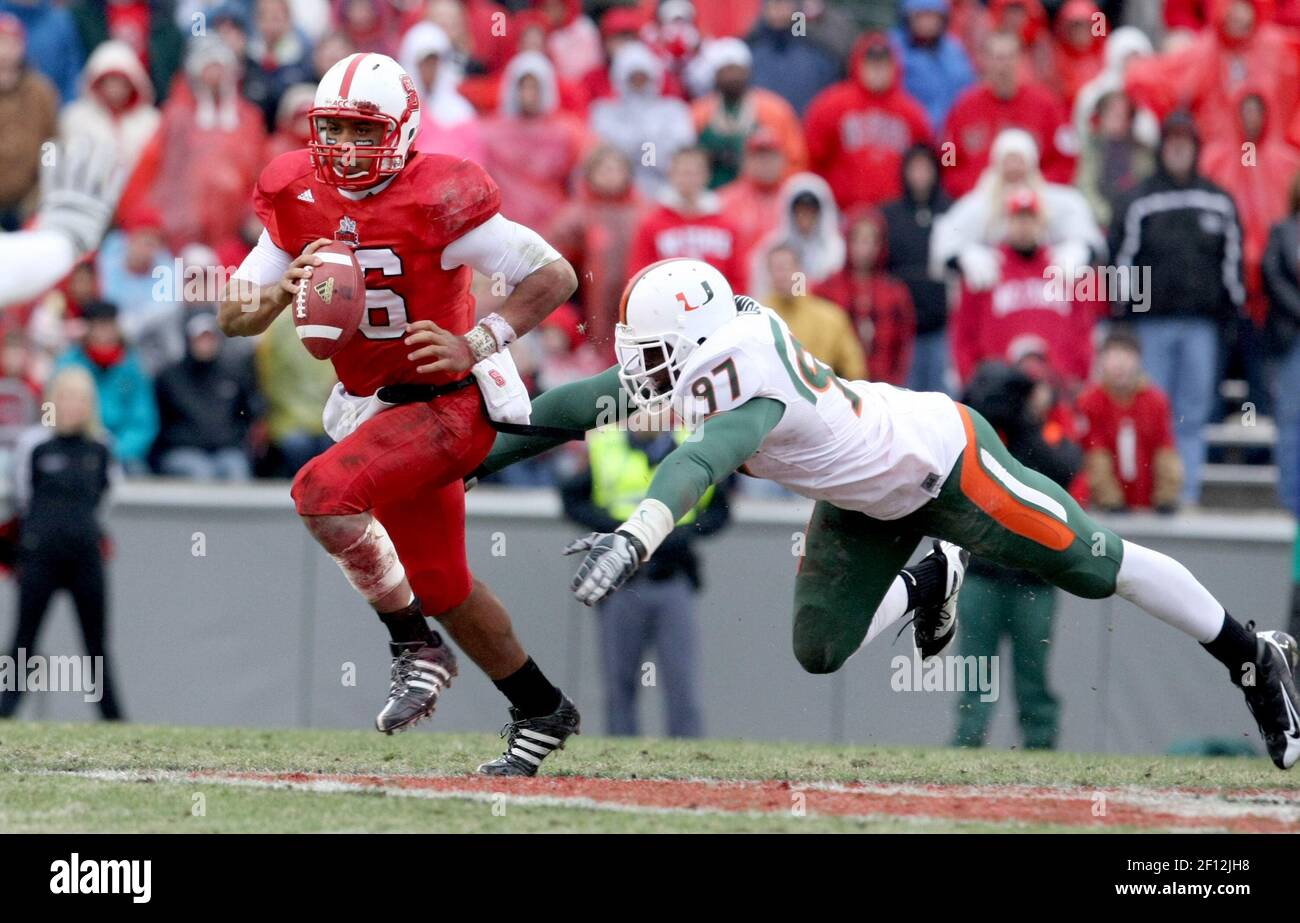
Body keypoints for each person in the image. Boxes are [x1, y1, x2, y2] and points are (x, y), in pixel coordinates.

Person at [475, 257, 1300, 772]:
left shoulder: (745, 372)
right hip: (860, 494)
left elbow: (705, 458)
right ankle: (933, 572)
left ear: (696, 345)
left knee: (1091, 564)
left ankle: (1250, 653)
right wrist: (464, 463)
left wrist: (636, 530)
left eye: (654, 360)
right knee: (821, 648)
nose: (642, 377)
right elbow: (571, 408)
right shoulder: (700, 357)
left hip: (942, 461)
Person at [217, 51, 582, 777]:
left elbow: (555, 274)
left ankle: (414, 648)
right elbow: (232, 314)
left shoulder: (440, 196)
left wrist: (475, 340)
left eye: (362, 130)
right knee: (444, 583)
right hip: (376, 409)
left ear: (403, 130)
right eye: (335, 130)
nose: (345, 147)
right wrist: (278, 291)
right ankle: (541, 709)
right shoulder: (297, 194)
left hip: (452, 402)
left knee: (321, 494)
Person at [560, 420, 730, 738]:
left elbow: (720, 509)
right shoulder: (606, 448)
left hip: (671, 575)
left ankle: (689, 755)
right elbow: (570, 498)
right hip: (624, 581)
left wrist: (676, 536)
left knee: (681, 679)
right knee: (618, 680)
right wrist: (618, 531)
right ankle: (621, 756)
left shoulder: (688, 446)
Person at [1108, 110, 1244, 506]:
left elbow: (1231, 262)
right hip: (1151, 325)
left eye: (1187, 140)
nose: (1179, 148)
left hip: (1202, 326)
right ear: (1162, 146)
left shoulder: (1218, 200)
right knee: (1149, 409)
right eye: (1172, 140)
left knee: (1192, 413)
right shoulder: (1140, 200)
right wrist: (1125, 313)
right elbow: (1122, 259)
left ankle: (1183, 495)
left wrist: (1231, 314)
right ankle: (1145, 494)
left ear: (1196, 147)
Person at [951, 361, 1082, 750]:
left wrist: (1024, 425)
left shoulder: (1050, 431)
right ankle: (966, 744)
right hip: (982, 576)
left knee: (1033, 676)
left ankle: (1040, 745)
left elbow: (1063, 471)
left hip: (1033, 581)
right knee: (975, 674)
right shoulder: (975, 434)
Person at [0, 365, 123, 720]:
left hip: (85, 554)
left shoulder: (101, 446)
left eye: (81, 399)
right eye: (67, 397)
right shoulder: (34, 444)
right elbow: (24, 496)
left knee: (96, 641)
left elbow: (108, 495)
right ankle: (7, 708)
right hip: (40, 554)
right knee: (24, 636)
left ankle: (111, 715)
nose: (74, 406)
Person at [948, 186, 1095, 390]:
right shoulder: (987, 267)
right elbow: (964, 331)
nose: (1024, 226)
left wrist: (1079, 375)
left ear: (1041, 223)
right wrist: (972, 380)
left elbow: (1082, 326)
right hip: (1000, 389)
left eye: (1030, 218)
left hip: (1056, 387)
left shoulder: (1063, 265)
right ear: (1007, 223)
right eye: (1018, 218)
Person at [803, 32, 932, 211]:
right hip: (842, 210)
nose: (877, 70)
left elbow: (925, 163)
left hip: (894, 214)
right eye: (871, 63)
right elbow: (812, 158)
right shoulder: (832, 105)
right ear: (858, 64)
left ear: (894, 67)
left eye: (883, 64)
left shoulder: (912, 113)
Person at [939, 30, 1075, 197]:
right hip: (979, 206)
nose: (1003, 65)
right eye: (997, 57)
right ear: (984, 60)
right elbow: (948, 161)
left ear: (1020, 59)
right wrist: (972, 191)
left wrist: (1037, 189)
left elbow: (1065, 160)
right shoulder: (963, 106)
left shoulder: (1046, 105)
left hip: (1032, 207)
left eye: (1009, 57)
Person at [1076, 330, 1182, 512]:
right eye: (1113, 355)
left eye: (1127, 355)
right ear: (1101, 361)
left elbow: (1165, 450)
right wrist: (1110, 500)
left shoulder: (1155, 400)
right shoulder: (1090, 401)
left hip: (1148, 501)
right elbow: (1094, 456)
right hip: (1103, 506)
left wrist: (1166, 497)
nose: (1120, 363)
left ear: (1139, 360)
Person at [153, 311, 260, 480]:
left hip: (226, 449)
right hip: (182, 449)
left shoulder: (233, 374)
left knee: (236, 469)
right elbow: (160, 420)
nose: (205, 343)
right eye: (200, 338)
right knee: (200, 472)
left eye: (210, 338)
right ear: (188, 341)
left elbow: (246, 413)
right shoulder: (169, 377)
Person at [54, 300, 158, 475]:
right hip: (72, 446)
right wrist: (58, 440)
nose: (104, 334)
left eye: (109, 326)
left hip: (120, 453)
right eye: (98, 326)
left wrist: (114, 452)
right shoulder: (66, 364)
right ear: (87, 329)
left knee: (138, 474)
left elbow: (143, 421)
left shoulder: (133, 368)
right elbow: (48, 407)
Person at [815, 207, 915, 386]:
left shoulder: (895, 292)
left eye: (871, 241)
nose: (864, 248)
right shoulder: (826, 288)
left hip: (883, 387)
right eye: (858, 240)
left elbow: (904, 345)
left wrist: (894, 385)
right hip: (837, 385)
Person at [689, 36, 806, 188]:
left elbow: (795, 159)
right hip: (709, 197)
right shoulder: (699, 113)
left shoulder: (774, 110)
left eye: (736, 70)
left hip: (761, 198)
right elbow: (684, 159)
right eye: (725, 71)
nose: (731, 77)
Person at [883, 143, 952, 395]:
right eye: (915, 168)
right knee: (904, 397)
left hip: (941, 322)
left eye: (926, 168)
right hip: (902, 323)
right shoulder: (889, 215)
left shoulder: (951, 212)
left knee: (943, 396)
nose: (920, 175)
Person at [628, 146, 744, 289]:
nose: (689, 179)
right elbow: (640, 274)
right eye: (683, 173)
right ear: (671, 174)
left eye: (695, 172)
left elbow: (738, 275)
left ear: (707, 174)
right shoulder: (652, 223)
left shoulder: (726, 224)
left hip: (718, 304)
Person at [762, 243, 865, 381]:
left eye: (786, 268)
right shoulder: (759, 317)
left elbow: (855, 370)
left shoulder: (830, 317)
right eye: (775, 269)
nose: (782, 275)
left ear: (800, 271)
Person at [0, 13, 57, 232]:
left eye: (11, 43)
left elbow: (51, 146)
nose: (5, 52)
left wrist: (41, 195)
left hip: (27, 208)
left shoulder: (41, 92)